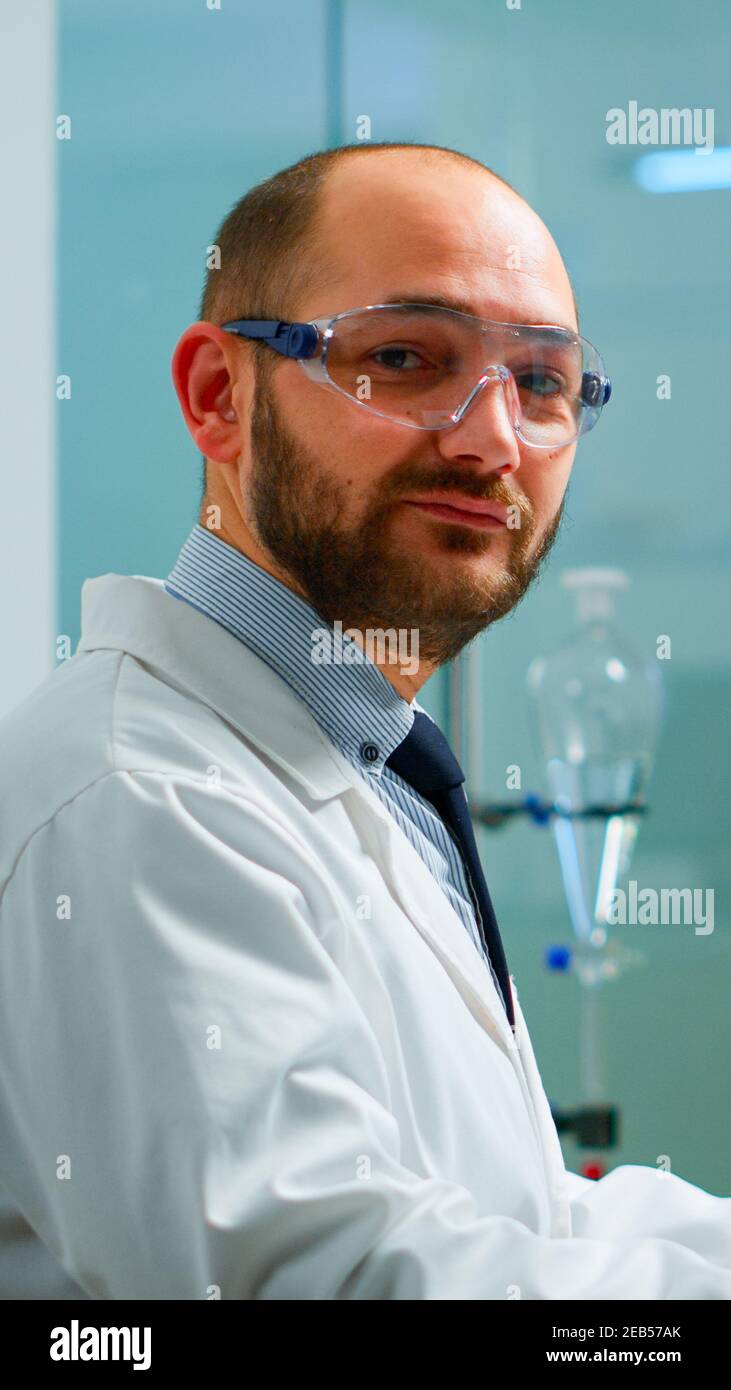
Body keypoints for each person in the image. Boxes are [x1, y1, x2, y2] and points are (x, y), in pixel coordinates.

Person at [0, 141, 728, 1300]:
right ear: (217, 396)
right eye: (402, 357)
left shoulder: (368, 771)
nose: (491, 441)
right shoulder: (135, 797)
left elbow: (511, 1208)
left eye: (540, 383)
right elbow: (332, 1280)